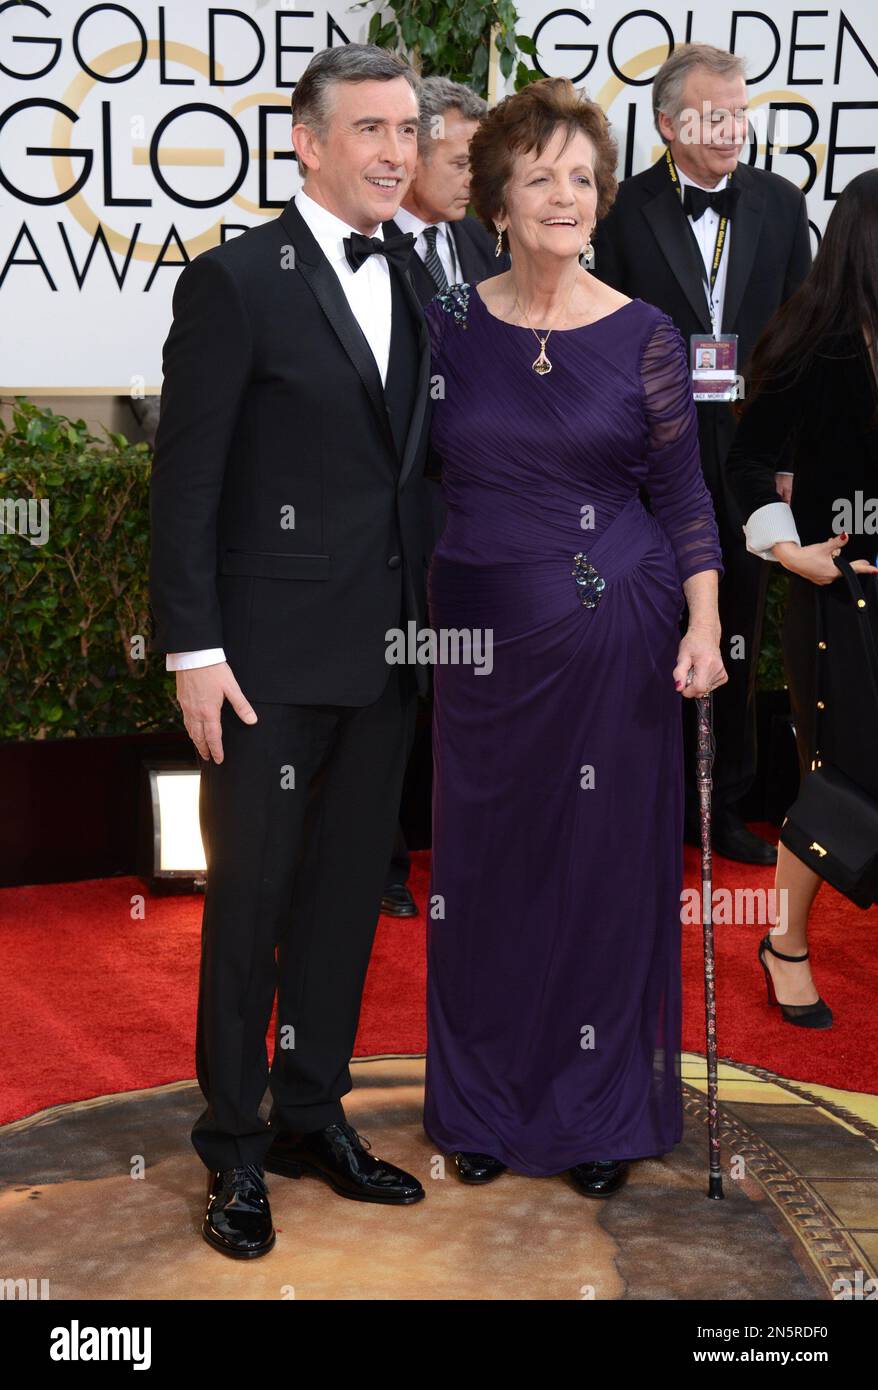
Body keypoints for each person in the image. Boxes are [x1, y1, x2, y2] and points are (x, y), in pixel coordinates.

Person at [149, 44, 435, 1259]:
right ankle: (232, 1147)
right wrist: (193, 650)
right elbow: (187, 482)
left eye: (409, 131)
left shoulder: (426, 275)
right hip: (262, 661)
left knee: (340, 906)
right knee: (250, 904)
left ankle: (314, 1112)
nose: (393, 152)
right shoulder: (236, 282)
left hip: (387, 653)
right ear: (307, 144)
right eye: (368, 129)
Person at [422, 77, 727, 1196]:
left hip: (618, 642)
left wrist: (703, 626)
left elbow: (685, 499)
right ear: (495, 197)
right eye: (539, 176)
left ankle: (595, 1108)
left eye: (582, 179)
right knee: (486, 870)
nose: (564, 196)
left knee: (599, 871)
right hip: (480, 651)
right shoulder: (445, 323)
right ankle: (484, 1105)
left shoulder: (647, 334)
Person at [592, 43, 812, 866]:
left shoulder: (782, 207)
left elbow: (800, 339)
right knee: (644, 624)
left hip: (751, 451)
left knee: (741, 626)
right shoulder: (617, 211)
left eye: (740, 111)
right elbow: (596, 335)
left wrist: (791, 452)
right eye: (711, 114)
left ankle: (724, 808)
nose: (732, 128)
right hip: (644, 455)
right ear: (666, 124)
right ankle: (641, 805)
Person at [726, 169, 878, 1028]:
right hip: (842, 596)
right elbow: (748, 462)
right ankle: (784, 942)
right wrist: (790, 551)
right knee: (837, 783)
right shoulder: (812, 341)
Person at [379, 76, 507, 919]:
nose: (473, 178)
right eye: (460, 160)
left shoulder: (482, 247)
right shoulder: (368, 249)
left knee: (468, 680)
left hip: (473, 507)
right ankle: (378, 855)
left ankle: (466, 846)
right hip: (393, 510)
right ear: (412, 153)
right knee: (389, 683)